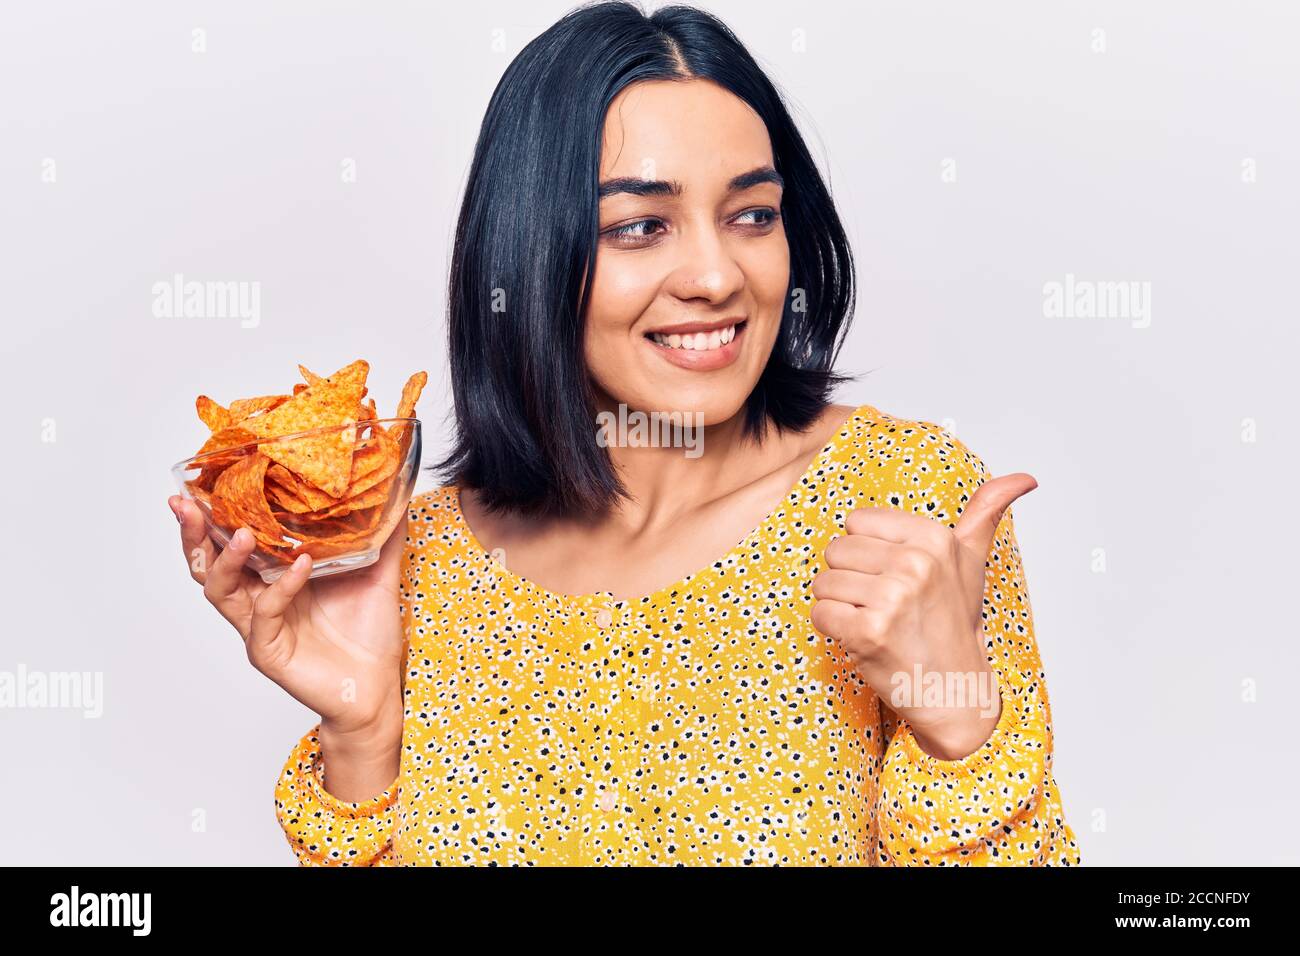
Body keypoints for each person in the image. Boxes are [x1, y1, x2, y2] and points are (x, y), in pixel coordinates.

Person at [168, 0, 1080, 865]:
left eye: (752, 215)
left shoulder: (904, 502)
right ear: (529, 252)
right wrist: (362, 732)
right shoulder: (420, 564)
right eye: (642, 226)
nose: (717, 275)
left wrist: (958, 720)